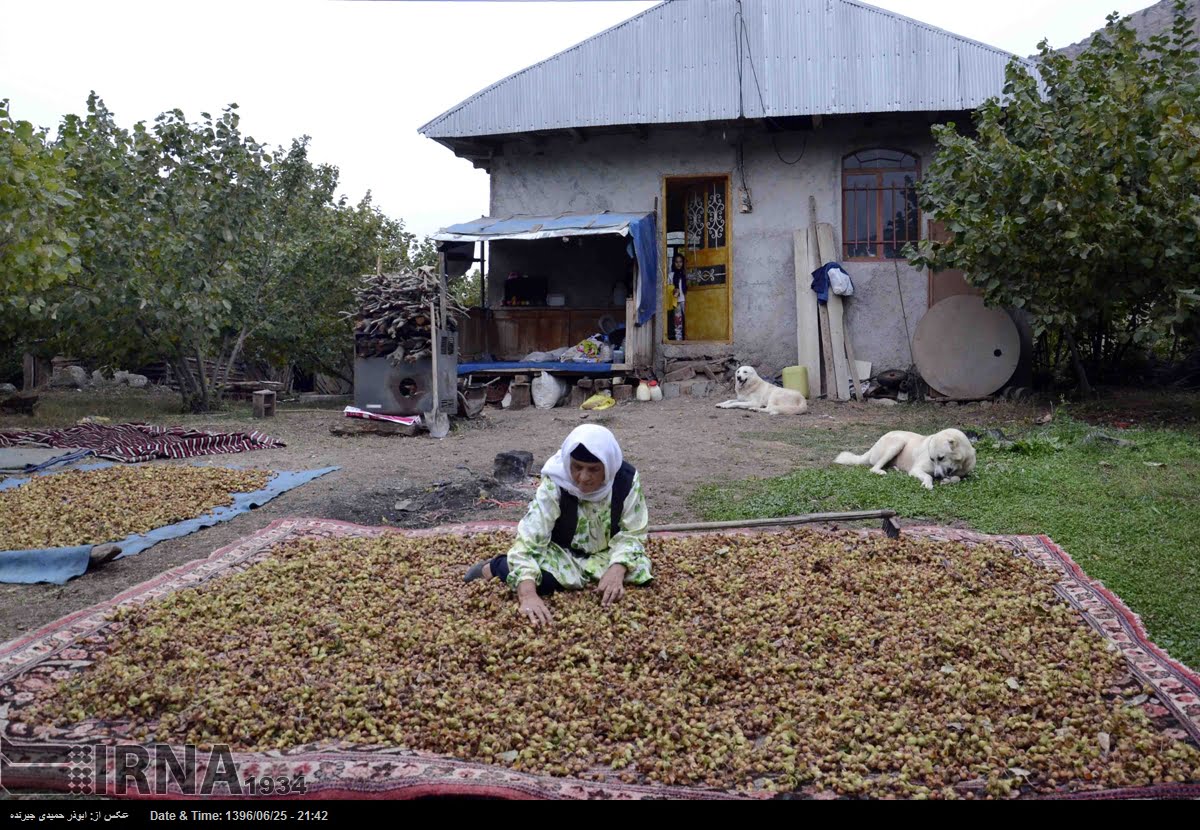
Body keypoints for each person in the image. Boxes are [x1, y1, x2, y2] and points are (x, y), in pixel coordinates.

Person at [463, 424, 652, 627]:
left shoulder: (625, 480)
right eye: (577, 467)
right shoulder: (556, 482)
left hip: (606, 553)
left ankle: (604, 572)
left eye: (593, 469)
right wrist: (527, 595)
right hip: (560, 553)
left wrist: (617, 568)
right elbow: (530, 540)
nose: (583, 478)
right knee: (540, 581)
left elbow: (633, 532)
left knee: (639, 571)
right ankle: (496, 566)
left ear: (609, 467)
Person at [666, 253, 687, 341]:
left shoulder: (685, 273)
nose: (679, 264)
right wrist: (673, 290)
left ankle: (689, 338)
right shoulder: (671, 275)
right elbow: (668, 287)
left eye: (680, 262)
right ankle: (679, 340)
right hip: (676, 301)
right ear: (673, 263)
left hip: (686, 300)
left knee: (689, 320)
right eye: (676, 262)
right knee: (678, 321)